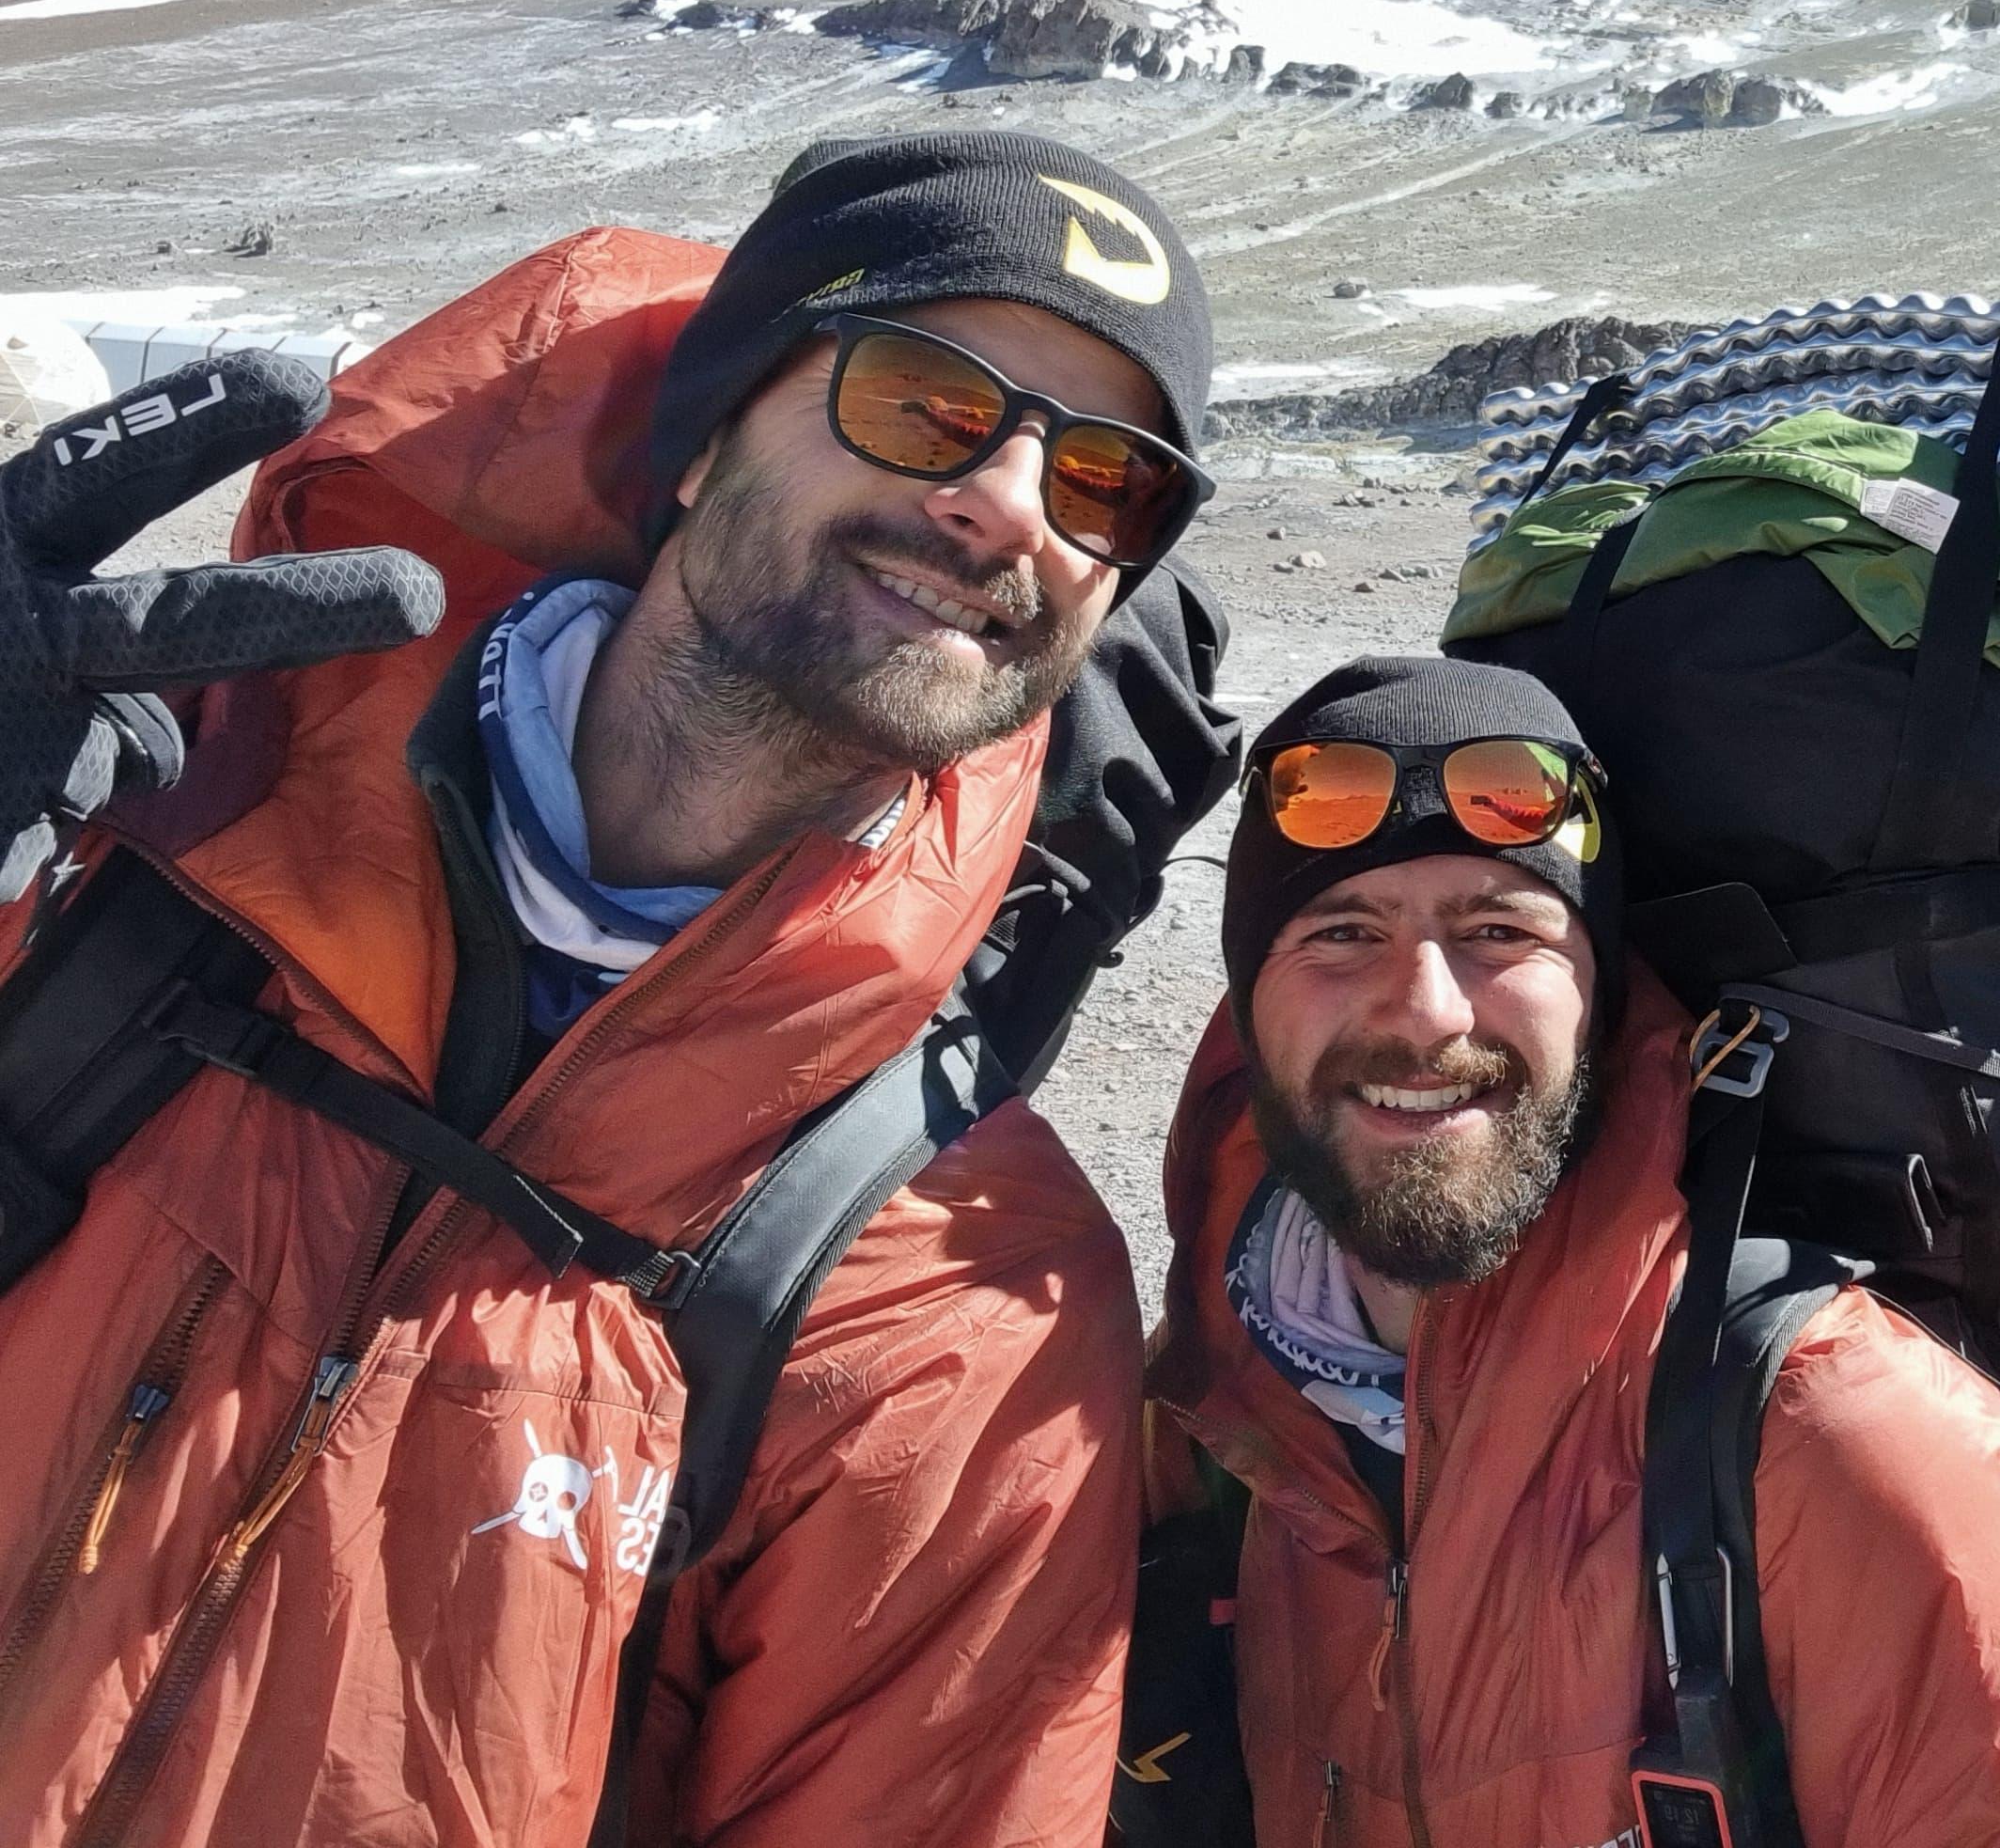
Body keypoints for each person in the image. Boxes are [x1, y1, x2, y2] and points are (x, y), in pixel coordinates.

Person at [0, 131, 1227, 1846]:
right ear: (711, 423)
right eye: (930, 400)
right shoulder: (125, 843)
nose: (1010, 502)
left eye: (1108, 482)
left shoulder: (960, 1301)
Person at [1137, 653, 2000, 1848]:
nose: (1426, 1011)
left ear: (1604, 1002)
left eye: (1499, 930)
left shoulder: (1844, 1446)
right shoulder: (1214, 1394)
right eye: (1341, 931)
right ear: (1248, 1004)